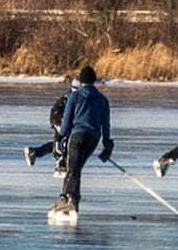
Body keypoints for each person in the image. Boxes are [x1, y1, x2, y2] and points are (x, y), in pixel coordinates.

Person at [50, 66, 114, 218]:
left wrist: (60, 136)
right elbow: (106, 124)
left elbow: (67, 120)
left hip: (77, 135)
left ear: (81, 81)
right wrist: (106, 144)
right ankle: (74, 202)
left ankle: (66, 200)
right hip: (93, 138)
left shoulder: (75, 96)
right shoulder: (103, 100)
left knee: (71, 168)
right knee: (76, 168)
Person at [23, 85, 71, 177]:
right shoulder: (69, 99)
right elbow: (57, 111)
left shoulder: (70, 98)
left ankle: (35, 152)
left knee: (59, 143)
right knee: (63, 143)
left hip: (62, 121)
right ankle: (61, 164)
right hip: (61, 121)